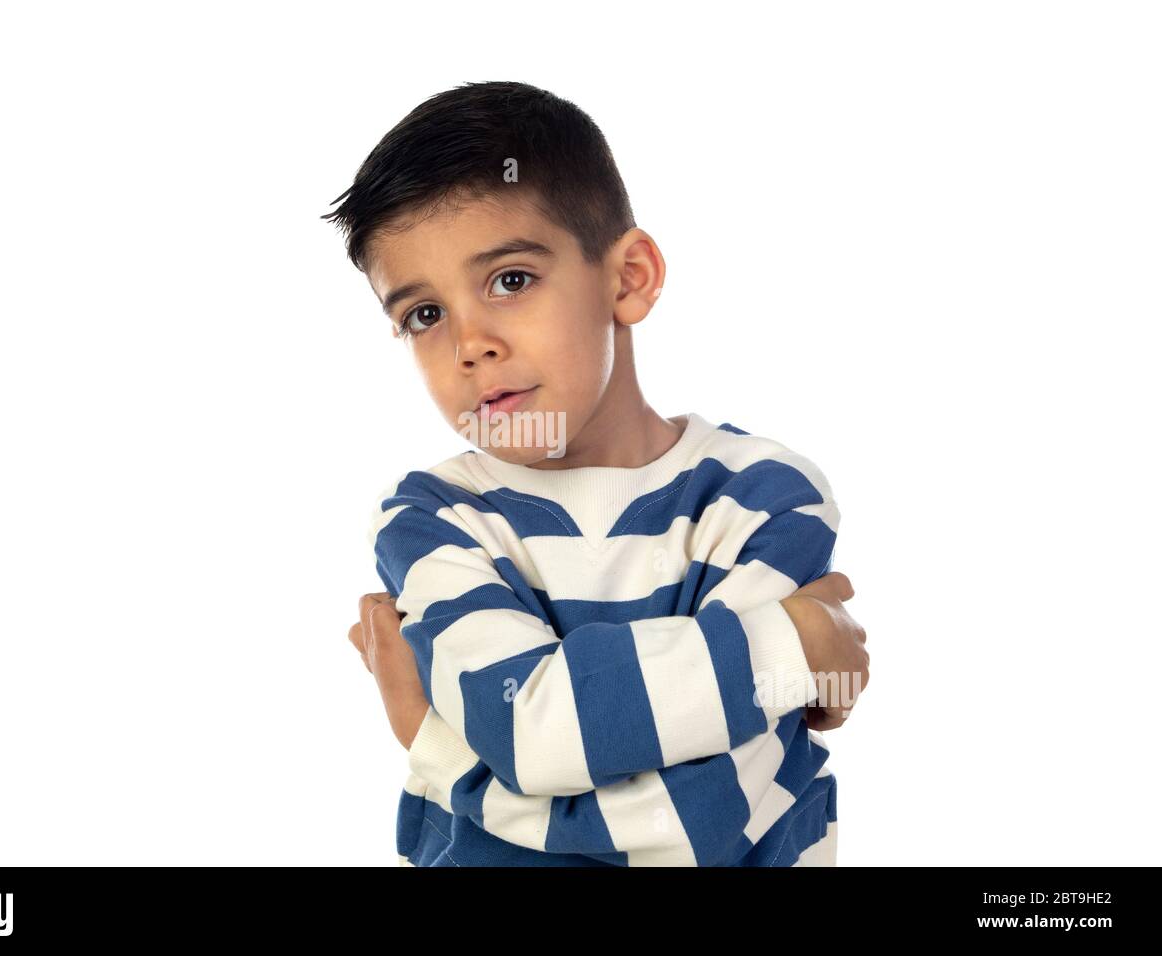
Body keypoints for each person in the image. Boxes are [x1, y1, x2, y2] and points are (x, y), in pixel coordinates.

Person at [327, 81, 870, 866]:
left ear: (629, 278)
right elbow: (535, 732)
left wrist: (438, 747)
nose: (468, 343)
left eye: (510, 280)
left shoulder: (763, 496)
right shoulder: (431, 520)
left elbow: (696, 826)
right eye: (423, 313)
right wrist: (791, 646)